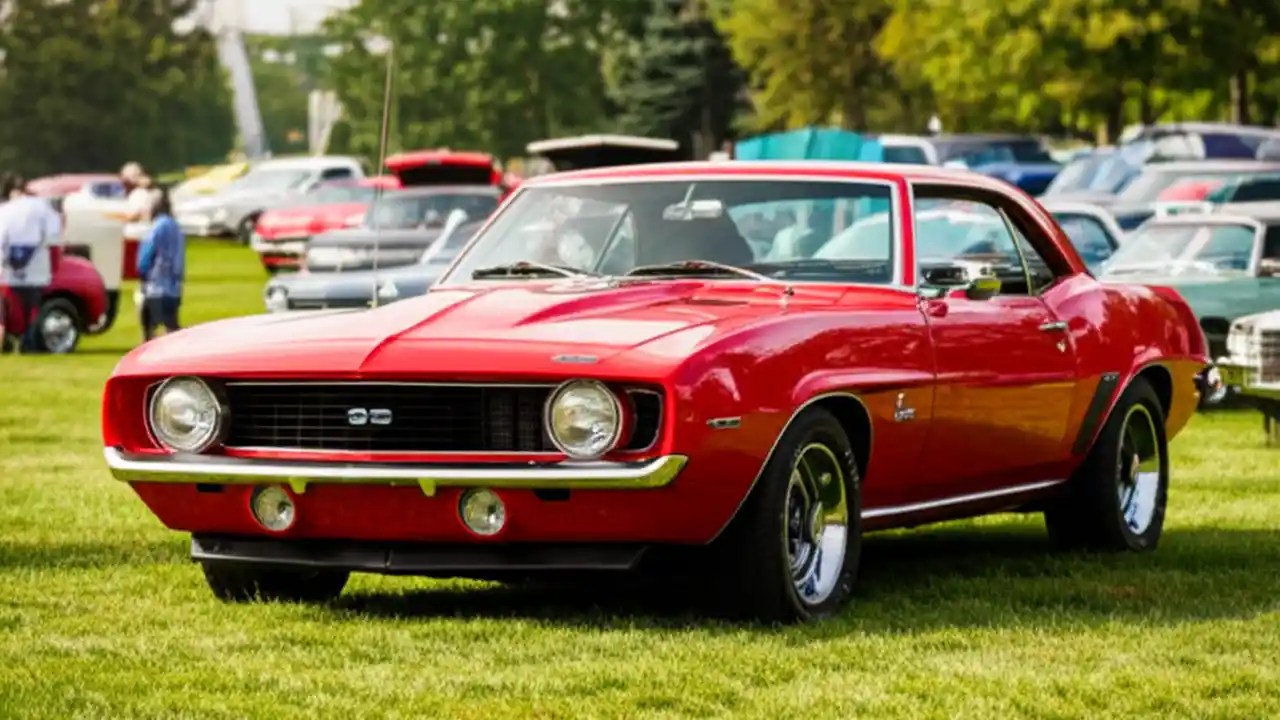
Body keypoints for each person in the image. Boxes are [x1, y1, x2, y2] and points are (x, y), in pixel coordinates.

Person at [0, 173, 63, 353]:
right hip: (37, 267)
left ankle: (9, 339)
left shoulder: (5, 209)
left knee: (8, 309)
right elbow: (54, 235)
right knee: (33, 308)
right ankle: (29, 341)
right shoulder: (42, 207)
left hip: (8, 270)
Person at [136, 187, 185, 341]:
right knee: (171, 325)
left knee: (149, 328)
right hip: (174, 287)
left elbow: (146, 254)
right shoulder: (176, 227)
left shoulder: (157, 227)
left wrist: (141, 271)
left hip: (156, 286)